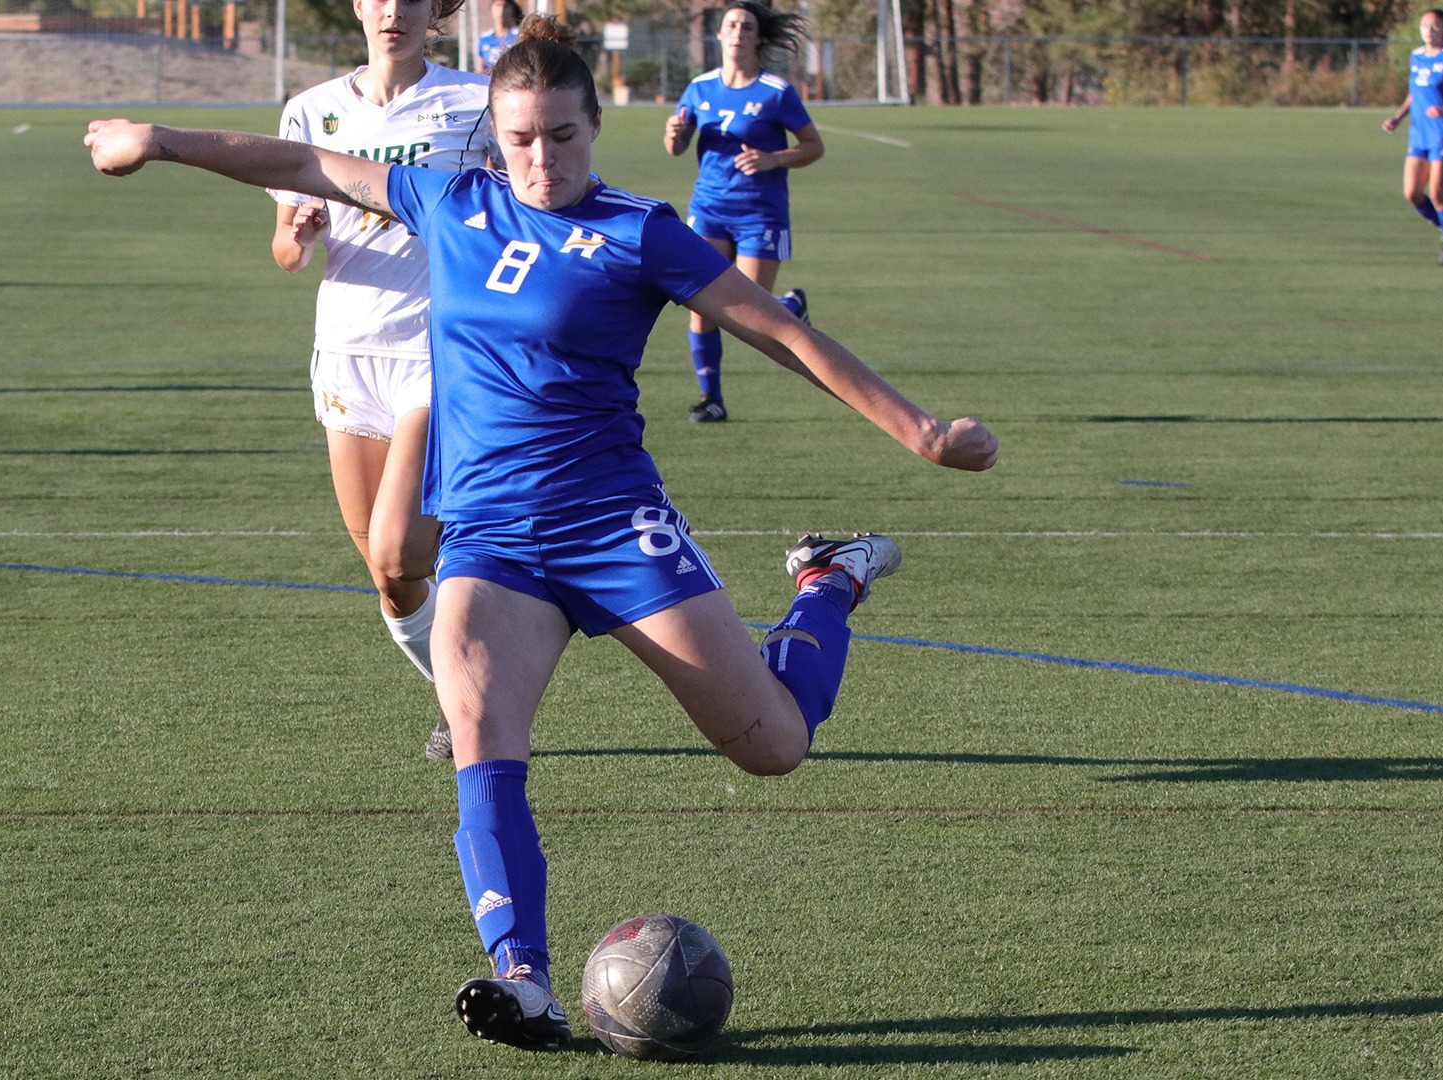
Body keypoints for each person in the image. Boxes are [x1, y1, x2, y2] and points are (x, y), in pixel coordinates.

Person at [85, 13, 997, 1051]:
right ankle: (522, 979)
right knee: (479, 735)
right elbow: (300, 158)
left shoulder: (639, 229)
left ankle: (826, 582)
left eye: (560, 135)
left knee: (776, 749)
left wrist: (922, 432)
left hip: (614, 528)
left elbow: (782, 331)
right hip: (493, 543)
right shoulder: (448, 195)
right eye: (521, 136)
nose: (540, 157)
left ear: (592, 126)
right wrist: (158, 139)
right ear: (493, 131)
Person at [270, 0, 496, 759]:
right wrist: (295, 234)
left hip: (438, 352)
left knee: (403, 551)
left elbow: (532, 192)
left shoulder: (476, 102)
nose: (393, 10)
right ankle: (458, 696)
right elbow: (287, 252)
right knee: (387, 577)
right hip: (346, 353)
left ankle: (479, 692)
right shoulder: (310, 111)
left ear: (436, 10)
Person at [664, 0, 824, 422]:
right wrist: (675, 134)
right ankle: (711, 399)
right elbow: (676, 148)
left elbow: (814, 147)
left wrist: (773, 159)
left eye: (746, 26)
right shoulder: (699, 88)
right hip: (709, 208)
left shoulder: (775, 92)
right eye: (731, 24)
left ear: (757, 38)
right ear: (719, 34)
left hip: (761, 214)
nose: (737, 31)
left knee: (753, 316)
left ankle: (789, 306)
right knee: (703, 305)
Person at [1383, 8, 1443, 266]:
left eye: (1436, 25)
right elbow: (1413, 93)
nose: (1430, 29)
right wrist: (1398, 117)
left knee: (1438, 195)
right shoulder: (1416, 57)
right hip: (1419, 135)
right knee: (1412, 193)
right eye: (1426, 25)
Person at [477, 0, 521, 72]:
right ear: (491, 9)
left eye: (505, 6)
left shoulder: (518, 35)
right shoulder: (484, 38)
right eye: (498, 5)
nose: (501, 10)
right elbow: (480, 68)